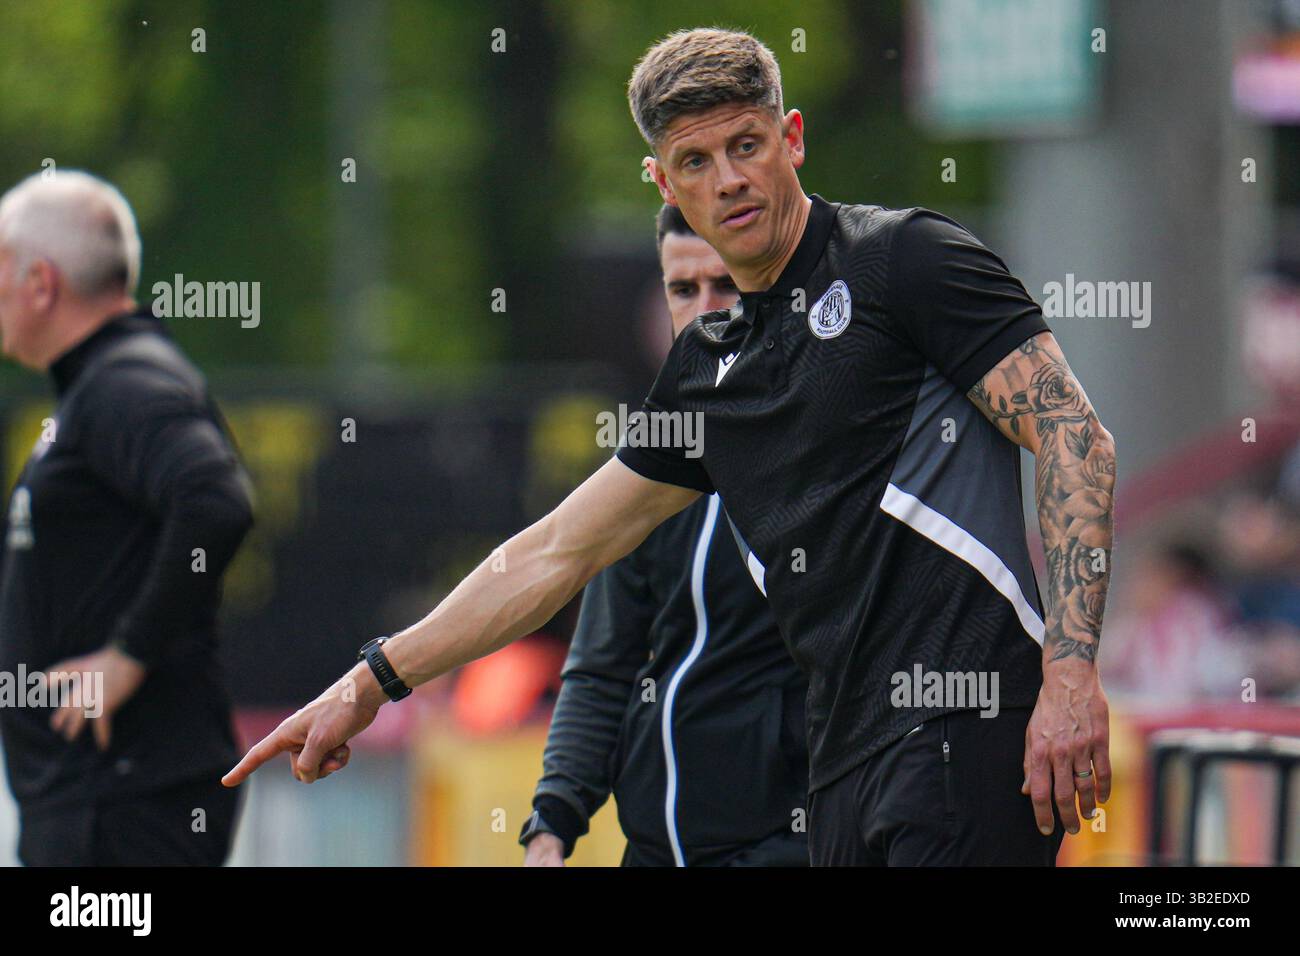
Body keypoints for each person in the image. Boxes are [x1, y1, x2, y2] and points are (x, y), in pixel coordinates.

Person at [225, 27, 1116, 867]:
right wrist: (368, 683)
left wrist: (1070, 677)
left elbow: (1078, 440)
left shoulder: (905, 261)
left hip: (962, 732)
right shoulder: (707, 370)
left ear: (792, 139)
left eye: (747, 145)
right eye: (697, 160)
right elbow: (554, 552)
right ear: (663, 183)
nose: (728, 179)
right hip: (842, 769)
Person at [522, 204, 808, 867]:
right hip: (657, 851)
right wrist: (550, 824)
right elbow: (602, 665)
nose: (706, 310)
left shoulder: (831, 452)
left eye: (726, 284)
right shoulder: (646, 463)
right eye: (684, 290)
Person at [0, 171, 253, 865]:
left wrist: (126, 657)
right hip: (97, 803)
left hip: (124, 804)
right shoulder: (98, 387)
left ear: (40, 282)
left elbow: (215, 499)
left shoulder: (124, 382)